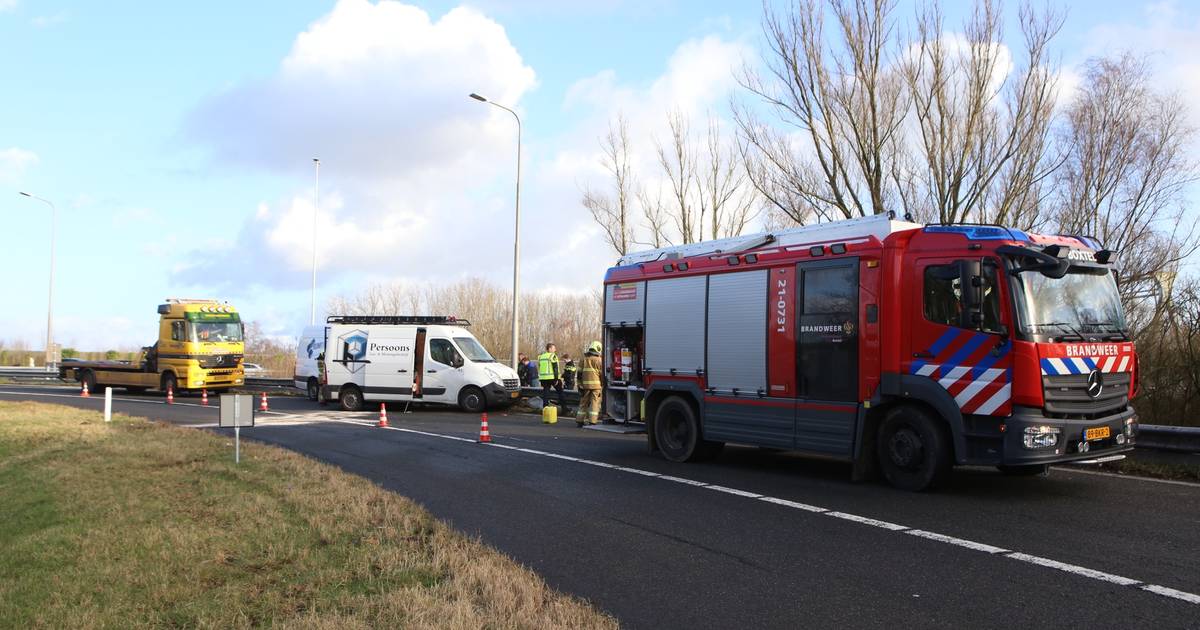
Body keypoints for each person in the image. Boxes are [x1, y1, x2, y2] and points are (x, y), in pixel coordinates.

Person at [577, 341, 604, 426]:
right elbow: (602, 374)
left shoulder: (583, 359)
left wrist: (579, 384)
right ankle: (592, 421)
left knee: (583, 403)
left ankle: (579, 420)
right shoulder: (599, 360)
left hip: (585, 386)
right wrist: (603, 384)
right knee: (594, 403)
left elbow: (579, 374)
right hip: (596, 386)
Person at [537, 342, 565, 408]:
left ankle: (545, 407)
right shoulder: (553, 356)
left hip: (543, 378)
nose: (555, 350)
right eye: (554, 348)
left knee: (546, 394)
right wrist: (556, 379)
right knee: (560, 392)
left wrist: (541, 379)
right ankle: (564, 408)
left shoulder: (540, 356)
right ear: (549, 349)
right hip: (553, 378)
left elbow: (540, 367)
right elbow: (555, 368)